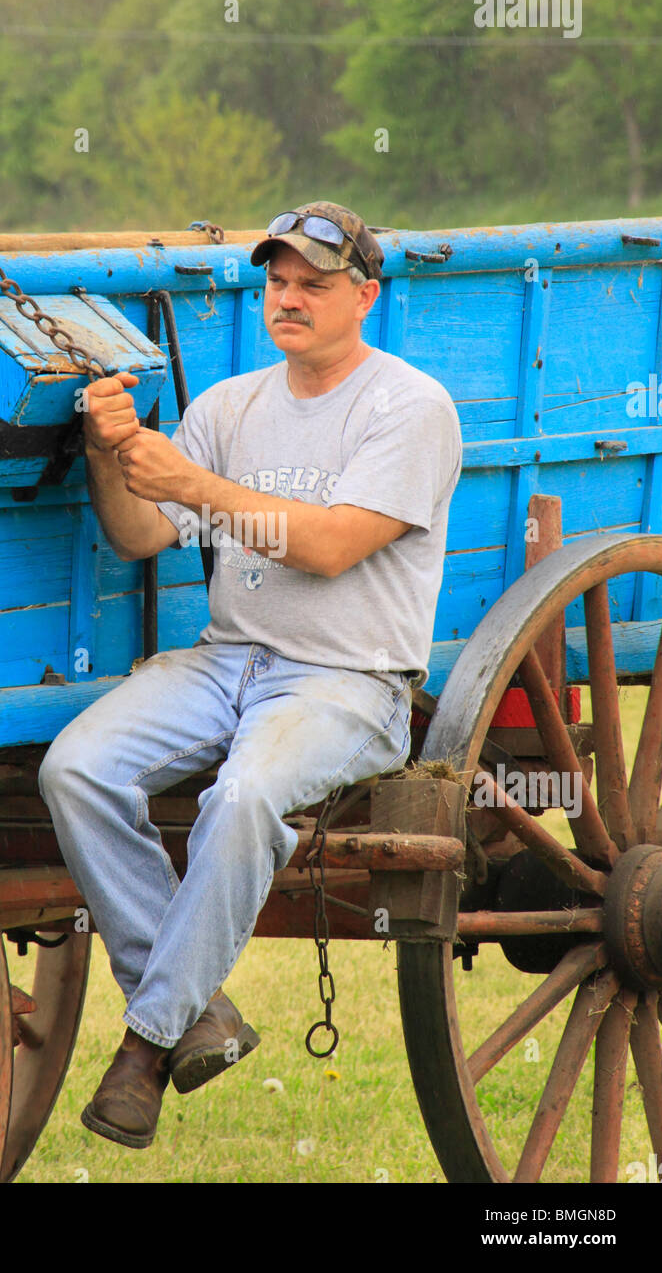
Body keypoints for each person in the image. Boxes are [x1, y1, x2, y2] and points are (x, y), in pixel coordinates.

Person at [38, 201, 463, 1149]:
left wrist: (192, 483)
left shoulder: (409, 408)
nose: (290, 298)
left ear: (366, 295)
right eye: (278, 282)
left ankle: (147, 1045)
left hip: (348, 681)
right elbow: (142, 534)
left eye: (315, 283)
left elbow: (327, 547)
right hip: (231, 660)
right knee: (75, 769)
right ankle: (199, 1013)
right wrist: (116, 455)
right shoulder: (231, 405)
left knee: (242, 799)